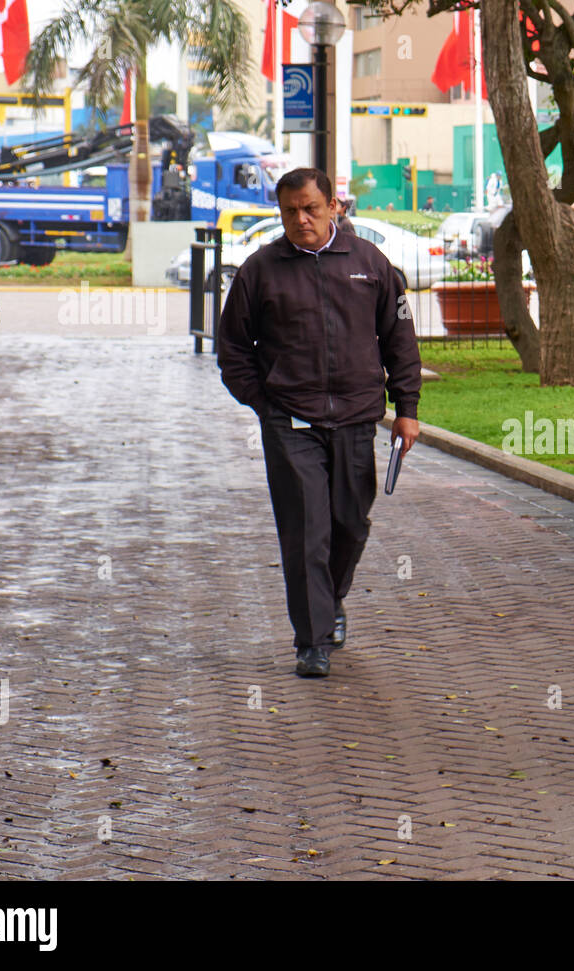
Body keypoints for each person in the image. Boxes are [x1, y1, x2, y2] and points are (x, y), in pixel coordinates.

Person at [217, 167, 422, 678]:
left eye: (310, 208)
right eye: (289, 211)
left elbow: (399, 340)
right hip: (291, 423)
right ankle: (312, 640)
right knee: (307, 530)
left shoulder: (370, 264)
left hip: (356, 418)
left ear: (335, 206)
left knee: (350, 524)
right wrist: (265, 405)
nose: (300, 219)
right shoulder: (259, 270)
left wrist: (408, 409)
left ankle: (329, 602)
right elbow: (233, 350)